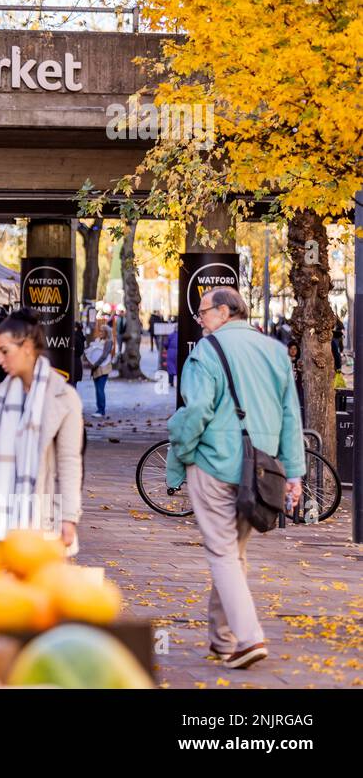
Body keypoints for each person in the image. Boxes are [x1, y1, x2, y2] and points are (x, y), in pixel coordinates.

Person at [166, 287, 305, 670]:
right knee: (233, 554)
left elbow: (195, 412)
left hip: (213, 464)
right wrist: (293, 472)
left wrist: (182, 450)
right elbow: (291, 416)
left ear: (225, 311)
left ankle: (248, 638)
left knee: (223, 554)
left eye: (203, 313)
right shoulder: (276, 352)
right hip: (260, 469)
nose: (201, 321)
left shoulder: (206, 352)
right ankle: (222, 640)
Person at [0, 309, 83, 553]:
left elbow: (69, 461)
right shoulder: (0, 397)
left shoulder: (64, 397)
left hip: (40, 516)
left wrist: (69, 518)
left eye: (5, 351)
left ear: (28, 347)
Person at [84, 318, 115, 417]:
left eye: (102, 331)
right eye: (100, 330)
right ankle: (99, 409)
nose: (100, 332)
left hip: (103, 368)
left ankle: (101, 411)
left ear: (106, 332)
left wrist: (95, 364)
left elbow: (104, 356)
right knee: (97, 389)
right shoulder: (98, 340)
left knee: (100, 389)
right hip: (96, 368)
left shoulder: (108, 342)